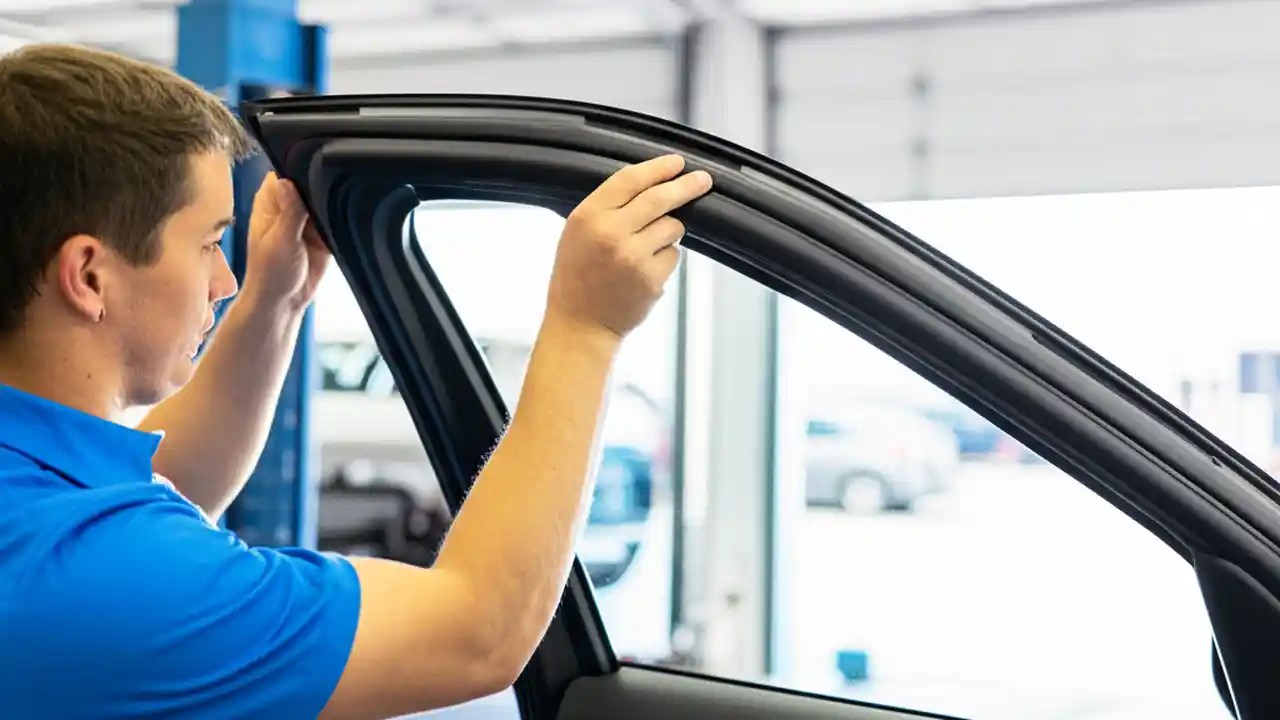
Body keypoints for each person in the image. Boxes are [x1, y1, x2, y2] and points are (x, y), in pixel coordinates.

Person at [0, 43, 712, 719]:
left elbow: (175, 472)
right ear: (90, 276)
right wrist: (587, 328)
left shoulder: (36, 490)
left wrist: (274, 301)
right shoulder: (95, 575)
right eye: (210, 244)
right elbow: (474, 633)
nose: (223, 280)